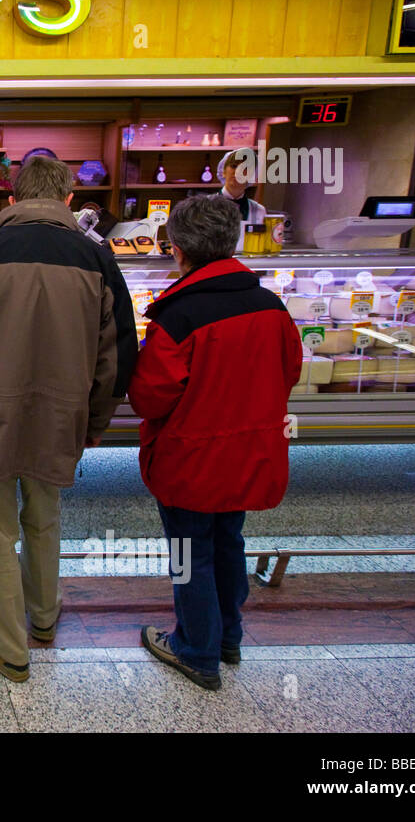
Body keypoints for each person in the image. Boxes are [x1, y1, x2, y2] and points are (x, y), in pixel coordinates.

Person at [0, 155, 138, 683]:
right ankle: (42, 619)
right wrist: (96, 422)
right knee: (44, 515)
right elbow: (118, 356)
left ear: (10, 201)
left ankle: (8, 648)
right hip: (60, 415)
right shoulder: (97, 257)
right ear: (67, 202)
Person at [127, 196, 302, 690]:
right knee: (229, 543)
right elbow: (290, 371)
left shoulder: (178, 316)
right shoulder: (271, 305)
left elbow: (149, 397)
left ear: (177, 249)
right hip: (249, 455)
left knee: (190, 552)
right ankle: (228, 637)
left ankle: (196, 651)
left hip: (192, 460)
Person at [213, 150, 266, 253]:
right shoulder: (205, 206)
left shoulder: (259, 210)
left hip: (247, 266)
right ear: (223, 172)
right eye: (233, 166)